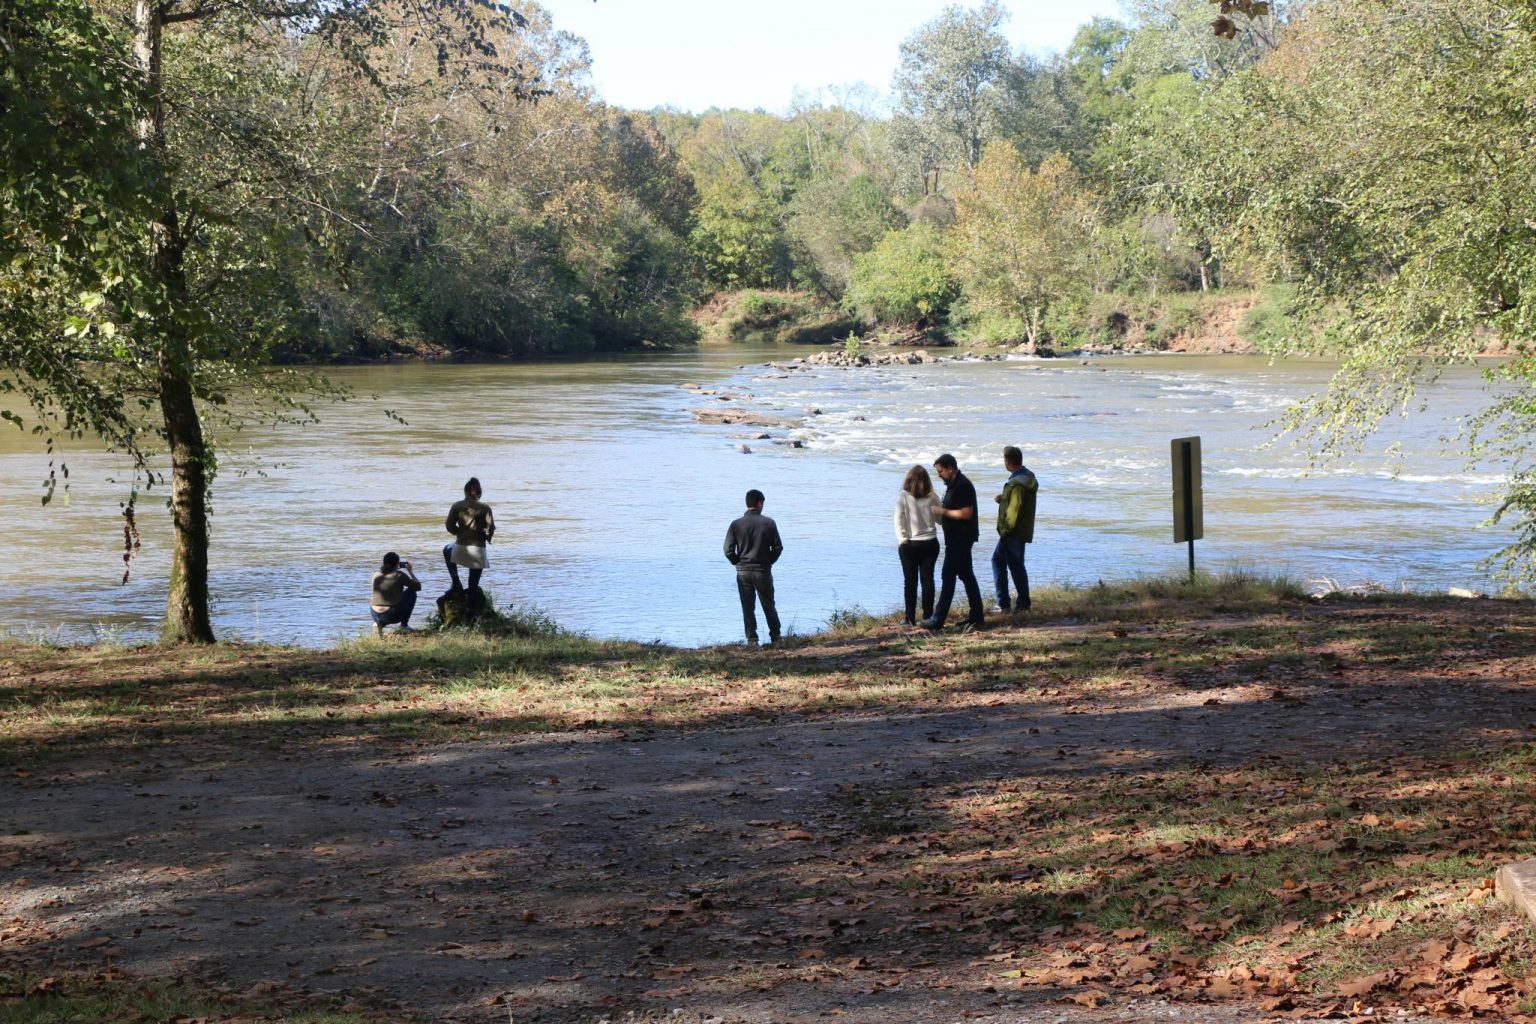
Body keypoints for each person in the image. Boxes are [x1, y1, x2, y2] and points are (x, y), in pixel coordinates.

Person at [920, 453, 985, 631]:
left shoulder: (963, 486)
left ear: (950, 469)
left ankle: (938, 619)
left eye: (940, 471)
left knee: (948, 576)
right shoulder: (953, 485)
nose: (938, 474)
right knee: (966, 575)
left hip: (961, 538)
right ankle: (977, 616)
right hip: (956, 538)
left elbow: (966, 513)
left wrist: (942, 511)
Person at [724, 488, 783, 647]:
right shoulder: (769, 523)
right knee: (769, 605)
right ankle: (776, 637)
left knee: (748, 607)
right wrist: (768, 562)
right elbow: (778, 548)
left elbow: (727, 550)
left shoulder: (736, 525)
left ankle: (752, 640)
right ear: (759, 503)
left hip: (743, 572)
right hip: (762, 571)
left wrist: (737, 562)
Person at [992, 445, 1039, 615]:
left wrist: (1005, 530)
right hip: (1021, 530)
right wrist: (1004, 499)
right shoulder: (1027, 477)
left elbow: (1015, 509)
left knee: (1010, 565)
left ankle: (1009, 603)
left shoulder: (1016, 484)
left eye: (1004, 459)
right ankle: (1019, 603)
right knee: (1011, 564)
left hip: (1012, 532)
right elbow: (1017, 503)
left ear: (1008, 461)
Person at [894, 465, 940, 626]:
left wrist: (902, 539)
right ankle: (928, 616)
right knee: (928, 580)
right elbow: (941, 519)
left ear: (909, 479)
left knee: (910, 581)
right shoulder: (932, 496)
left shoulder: (903, 496)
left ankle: (909, 617)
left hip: (911, 544)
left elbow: (898, 520)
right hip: (930, 542)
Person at [443, 477, 494, 592]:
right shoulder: (485, 508)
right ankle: (471, 599)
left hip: (461, 548)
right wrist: (488, 538)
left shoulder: (457, 506)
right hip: (478, 551)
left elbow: (449, 526)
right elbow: (490, 529)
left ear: (465, 491)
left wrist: (460, 532)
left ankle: (456, 581)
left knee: (447, 550)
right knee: (473, 586)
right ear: (479, 492)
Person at [370, 552, 422, 636]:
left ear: (384, 563)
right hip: (389, 615)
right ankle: (404, 626)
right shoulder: (399, 575)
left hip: (374, 613)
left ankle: (378, 624)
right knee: (411, 592)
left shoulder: (376, 574)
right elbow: (418, 587)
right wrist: (410, 571)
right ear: (397, 564)